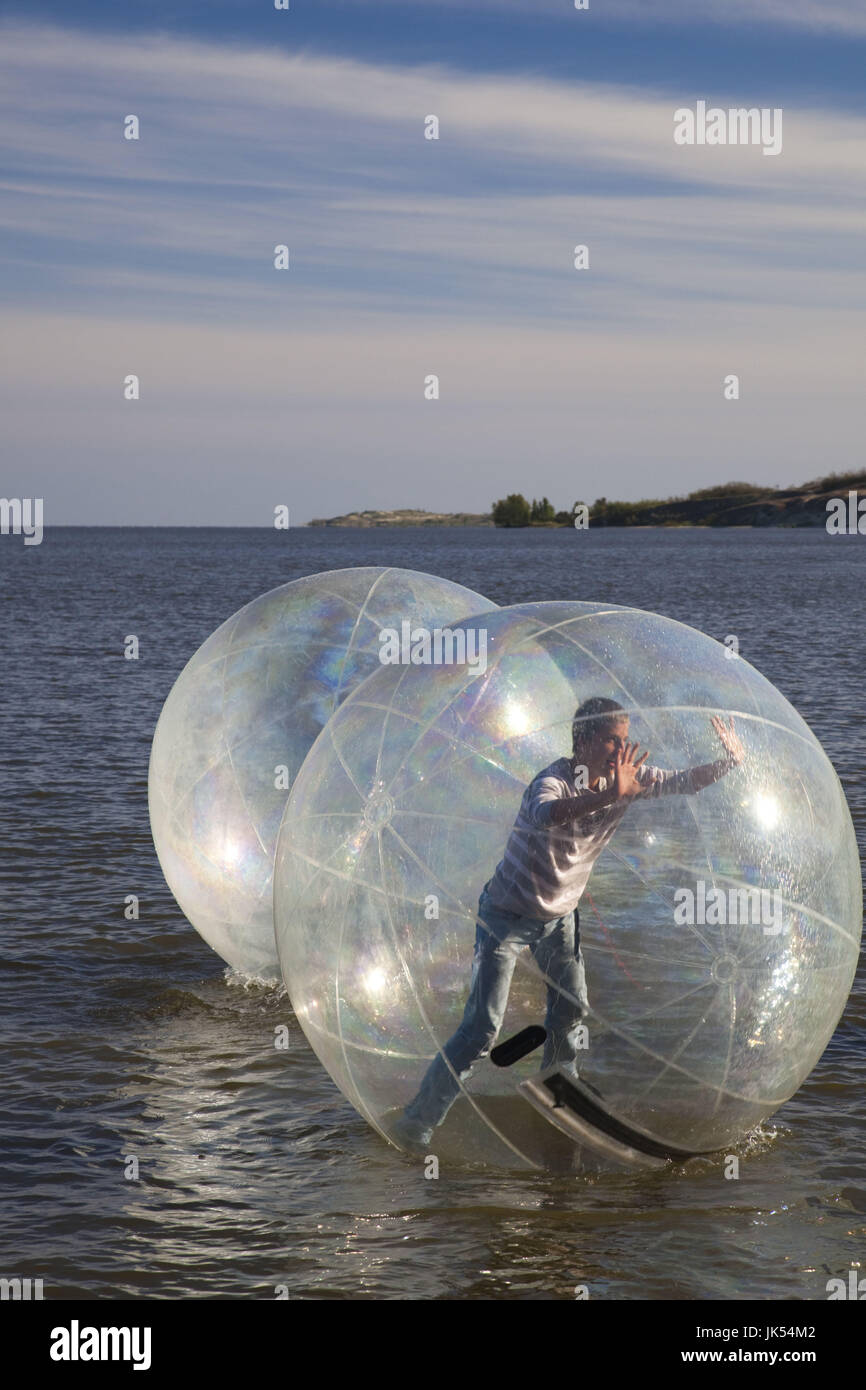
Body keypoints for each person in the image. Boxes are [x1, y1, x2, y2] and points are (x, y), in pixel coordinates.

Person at [393, 696, 746, 1150]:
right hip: (507, 915)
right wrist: (610, 795)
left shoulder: (627, 779)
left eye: (625, 740)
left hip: (560, 916)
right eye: (612, 741)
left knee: (571, 1008)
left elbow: (685, 782)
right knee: (482, 1029)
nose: (622, 751)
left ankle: (558, 1087)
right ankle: (415, 1126)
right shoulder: (553, 781)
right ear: (584, 741)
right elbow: (547, 815)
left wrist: (730, 762)